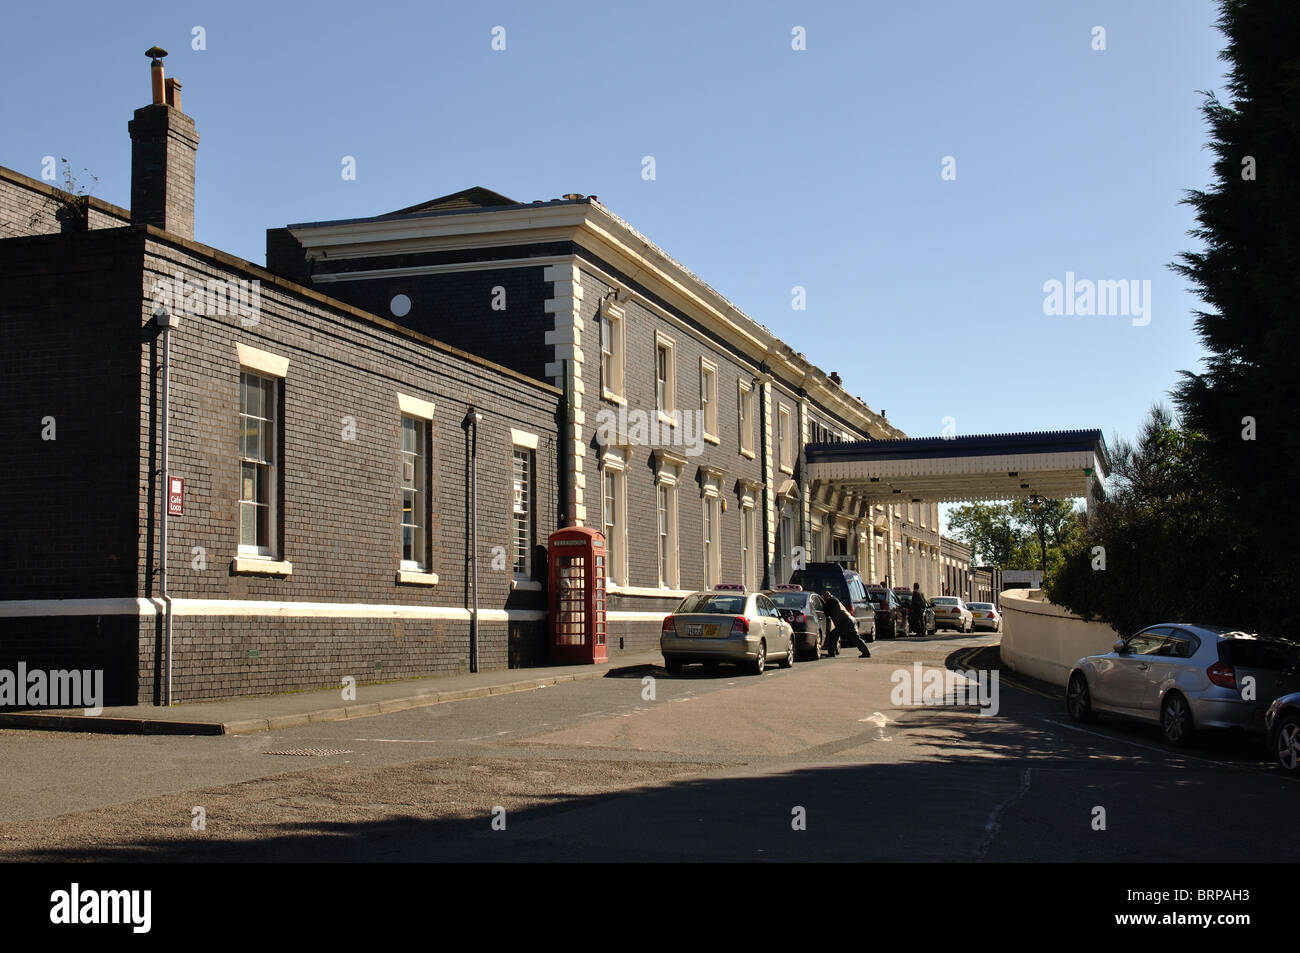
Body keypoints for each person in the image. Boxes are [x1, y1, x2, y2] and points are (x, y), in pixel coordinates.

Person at [823, 593, 870, 658]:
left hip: (845, 621)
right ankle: (866, 652)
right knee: (855, 638)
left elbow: (825, 610)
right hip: (848, 620)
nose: (824, 599)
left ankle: (831, 653)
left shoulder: (832, 601)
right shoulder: (834, 600)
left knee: (834, 635)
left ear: (827, 596)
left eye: (824, 597)